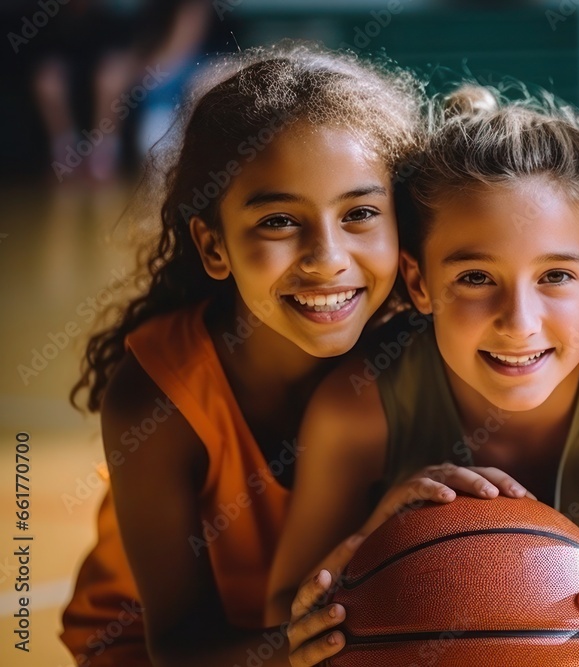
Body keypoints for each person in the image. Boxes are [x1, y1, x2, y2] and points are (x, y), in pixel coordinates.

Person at [267, 85, 579, 667]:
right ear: (419, 284)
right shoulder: (358, 405)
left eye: (555, 276)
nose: (519, 323)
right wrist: (367, 542)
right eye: (475, 278)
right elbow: (280, 617)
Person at [61, 42, 424, 666]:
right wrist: (295, 648)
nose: (326, 257)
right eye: (280, 221)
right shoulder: (157, 395)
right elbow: (177, 645)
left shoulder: (423, 351)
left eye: (361, 213)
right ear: (213, 246)